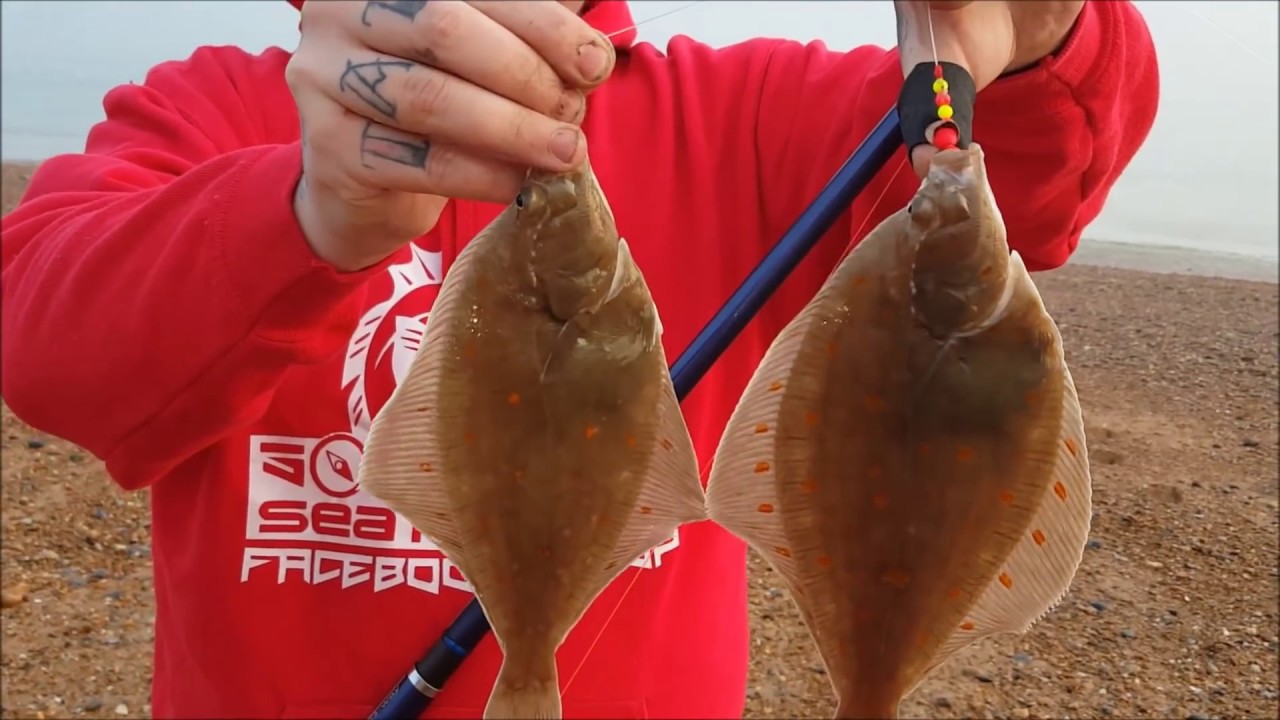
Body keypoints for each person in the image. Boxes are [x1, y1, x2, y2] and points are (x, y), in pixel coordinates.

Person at [0, 0, 1158, 717]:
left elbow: (1036, 179)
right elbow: (45, 345)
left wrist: (1039, 31)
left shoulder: (747, 113)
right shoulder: (212, 107)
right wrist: (307, 209)